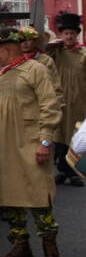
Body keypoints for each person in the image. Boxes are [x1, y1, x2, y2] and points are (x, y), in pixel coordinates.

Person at [0, 26, 63, 257]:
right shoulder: (2, 76)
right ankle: (21, 247)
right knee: (9, 196)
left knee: (38, 196)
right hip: (3, 148)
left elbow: (50, 106)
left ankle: (50, 249)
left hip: (30, 145)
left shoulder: (36, 70)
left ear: (7, 48)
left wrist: (45, 141)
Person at [45, 13, 86, 187]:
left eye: (72, 33)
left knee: (74, 135)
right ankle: (63, 168)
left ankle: (74, 171)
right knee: (59, 135)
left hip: (79, 100)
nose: (68, 37)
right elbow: (42, 55)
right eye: (65, 33)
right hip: (59, 99)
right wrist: (53, 44)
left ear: (77, 34)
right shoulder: (56, 53)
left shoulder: (83, 53)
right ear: (61, 34)